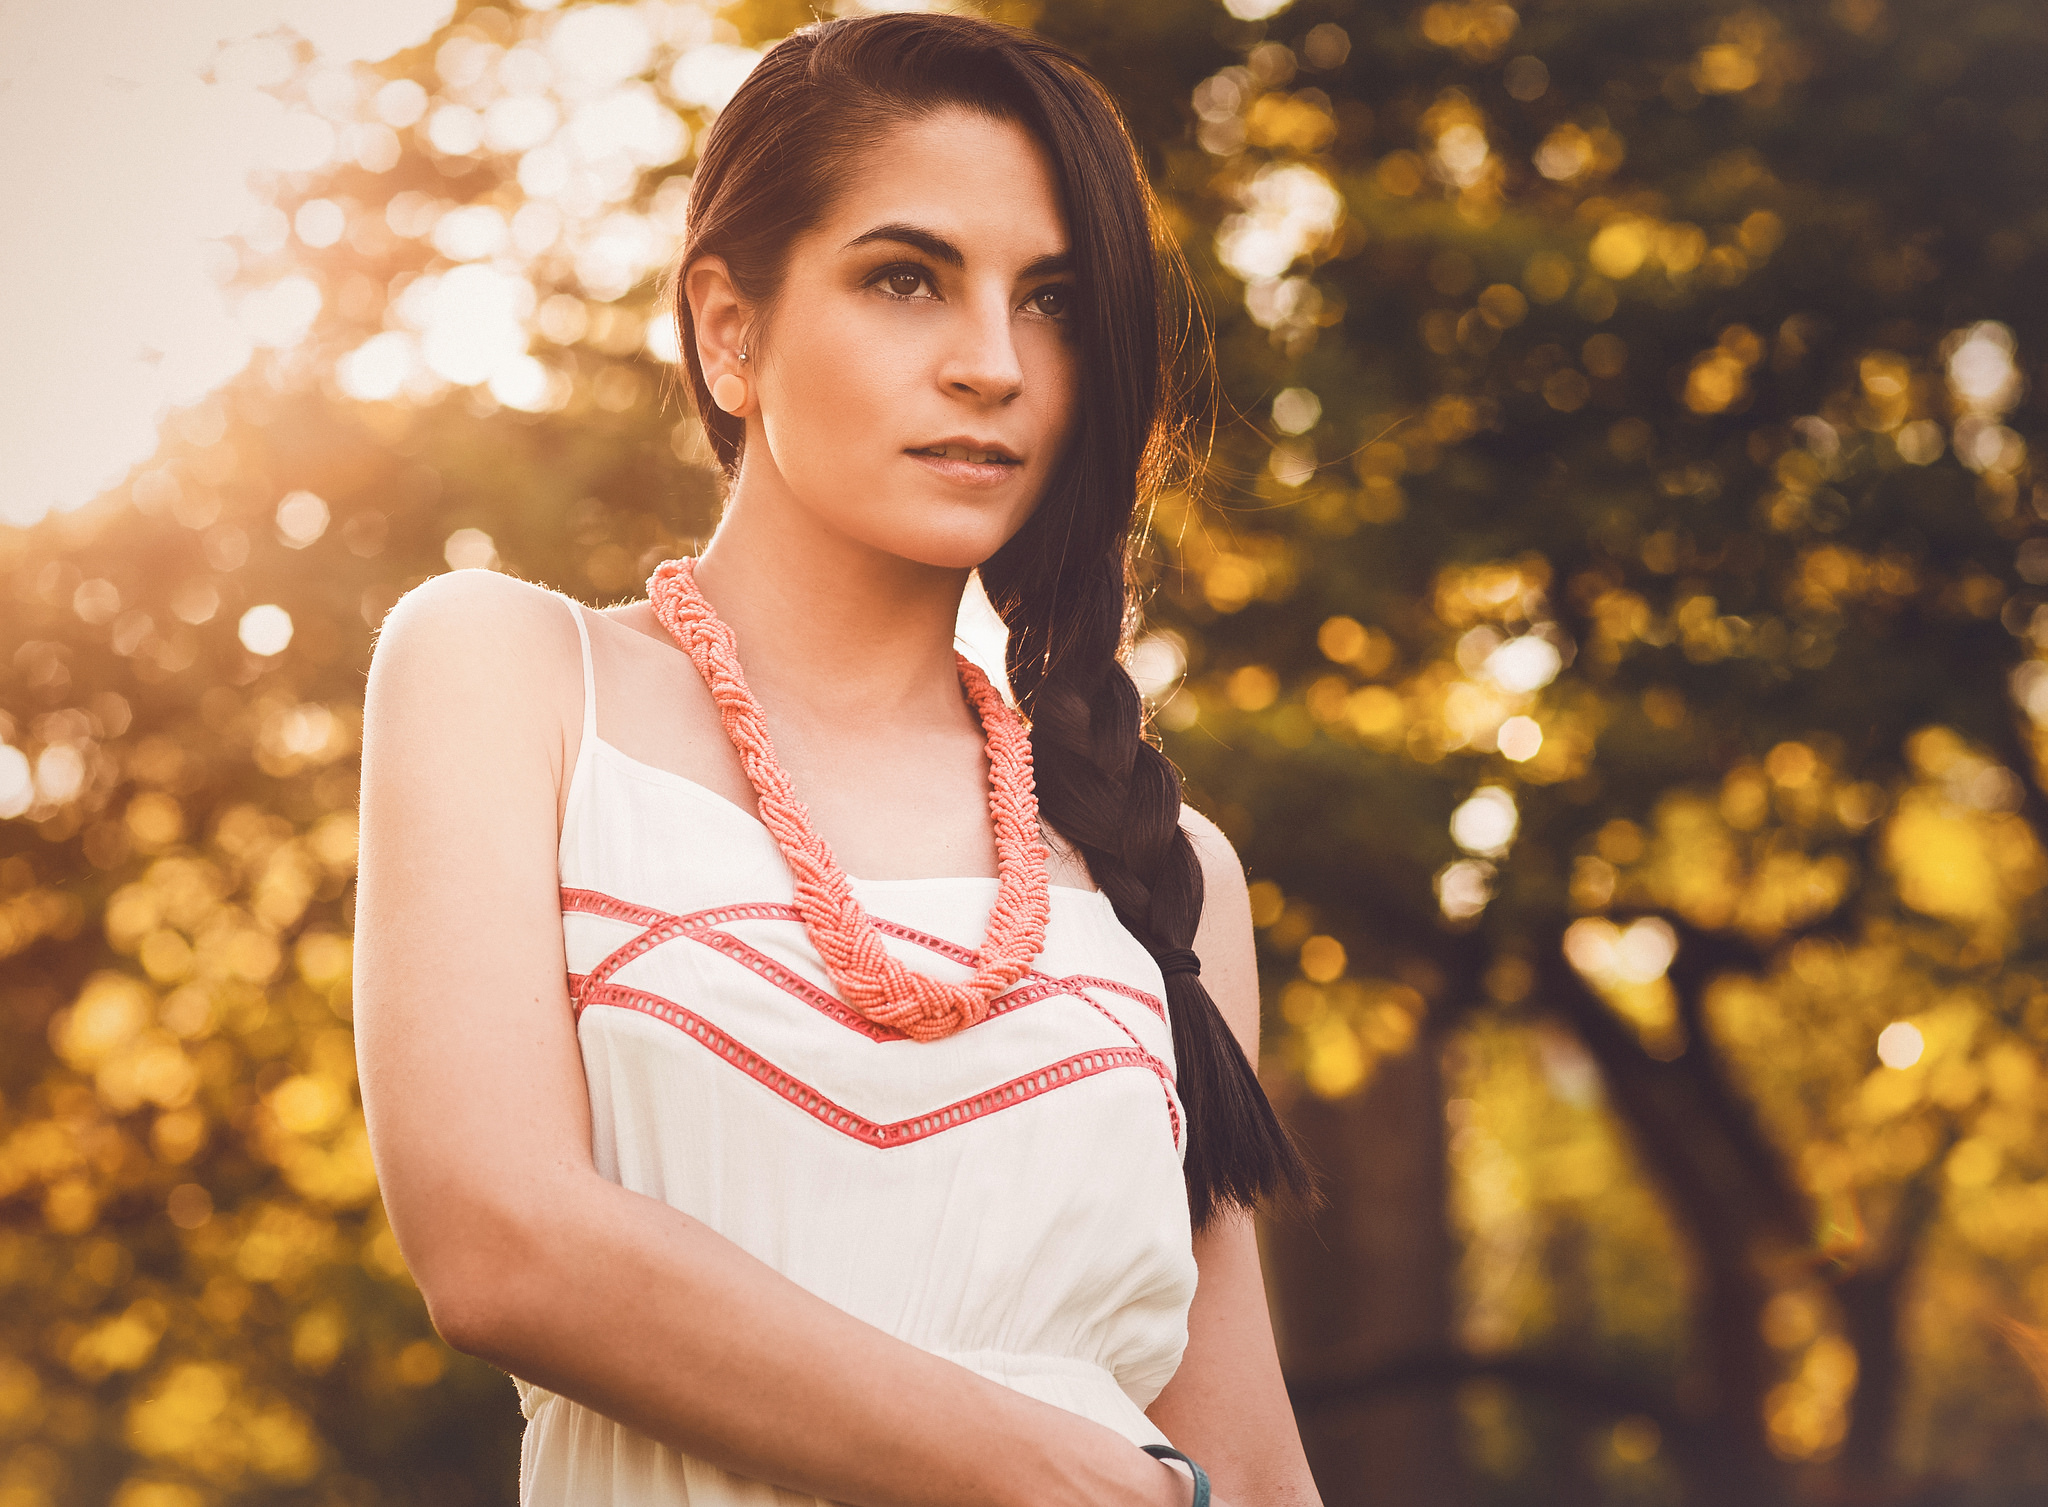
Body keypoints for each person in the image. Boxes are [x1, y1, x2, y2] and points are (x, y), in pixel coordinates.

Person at [355, 13, 1320, 1506]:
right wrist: (1050, 1474)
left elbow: (1243, 1451)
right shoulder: (512, 677)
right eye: (905, 278)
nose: (994, 366)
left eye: (1053, 301)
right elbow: (500, 1247)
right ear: (729, 330)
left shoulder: (1167, 872)